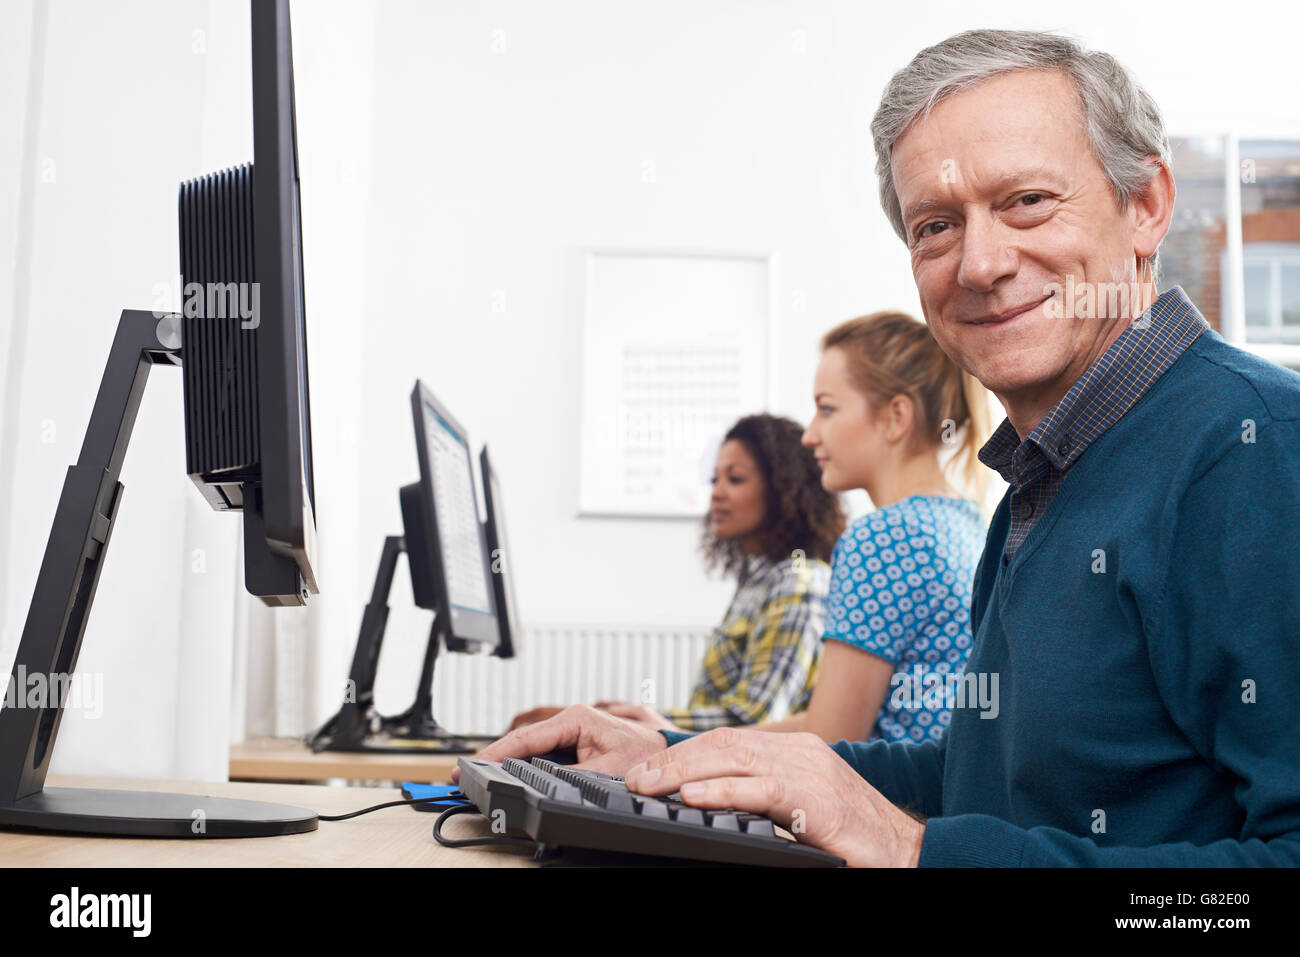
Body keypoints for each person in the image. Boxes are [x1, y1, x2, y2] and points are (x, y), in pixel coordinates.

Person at [468, 29, 1300, 867]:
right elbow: (980, 786)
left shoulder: (1256, 451)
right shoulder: (1042, 475)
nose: (979, 263)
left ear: (1148, 204)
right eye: (935, 226)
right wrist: (679, 761)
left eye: (1026, 201)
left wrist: (911, 851)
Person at [507, 413, 844, 733]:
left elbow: (756, 718)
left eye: (735, 478)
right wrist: (617, 719)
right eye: (714, 479)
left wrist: (618, 721)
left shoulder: (799, 581)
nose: (717, 492)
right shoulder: (759, 581)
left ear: (784, 490)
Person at [757, 312, 989, 744]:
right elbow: (831, 721)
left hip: (893, 802)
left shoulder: (886, 539)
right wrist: (684, 738)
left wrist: (676, 749)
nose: (809, 435)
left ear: (896, 417)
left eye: (826, 409)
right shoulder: (966, 521)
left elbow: (829, 745)